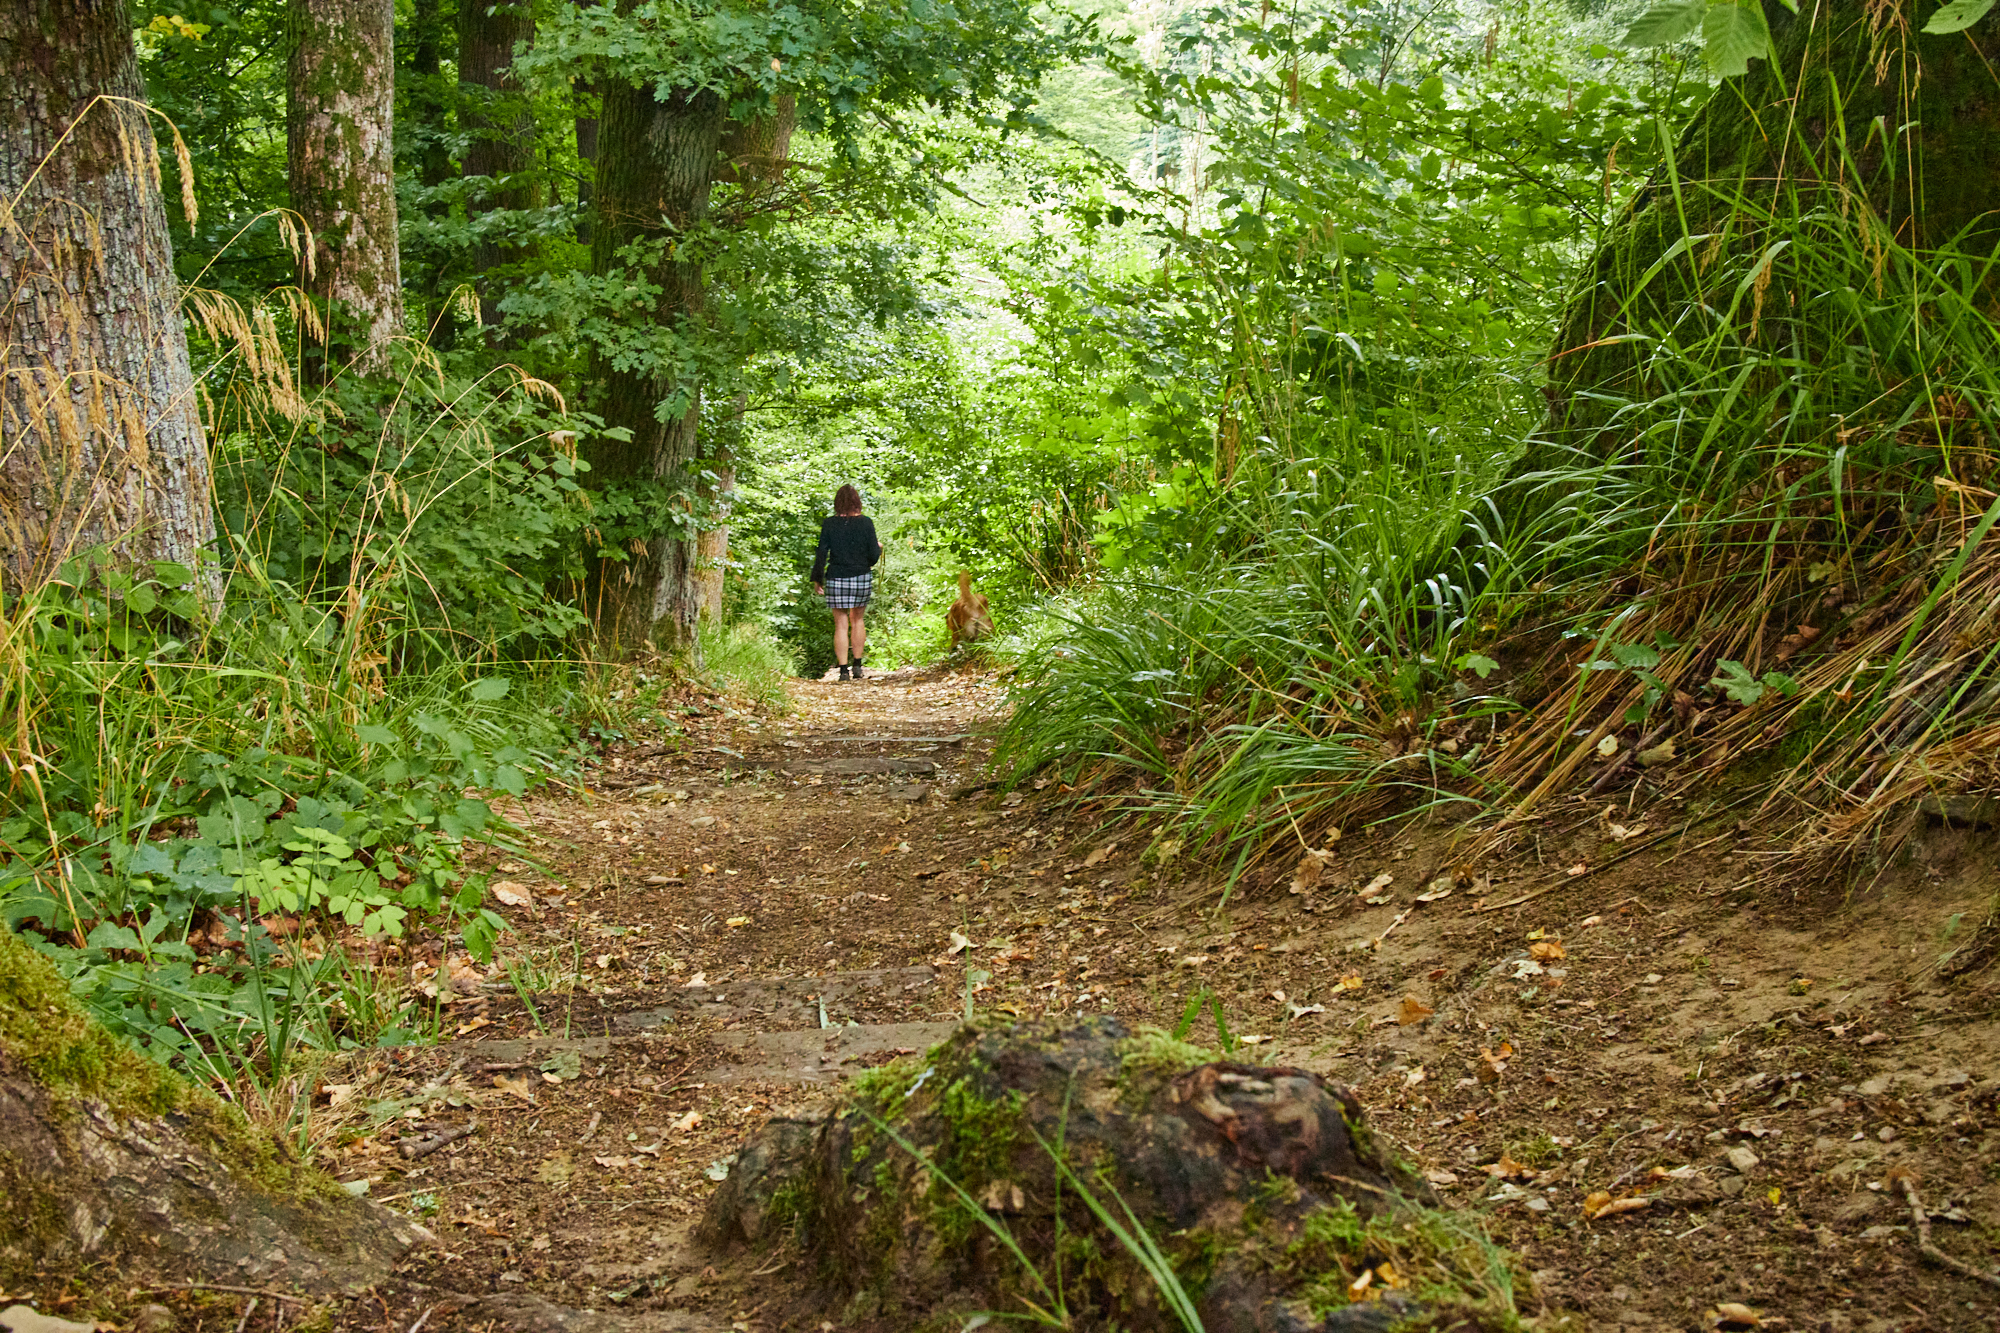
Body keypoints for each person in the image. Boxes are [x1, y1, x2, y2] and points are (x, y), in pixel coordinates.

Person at [810, 484, 883, 681]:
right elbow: (873, 557)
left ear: (837, 503)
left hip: (836, 576)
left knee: (840, 624)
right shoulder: (866, 523)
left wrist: (817, 578)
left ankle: (843, 671)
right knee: (858, 619)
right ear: (857, 502)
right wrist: (878, 548)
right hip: (860, 576)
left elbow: (821, 553)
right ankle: (858, 666)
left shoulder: (829, 524)